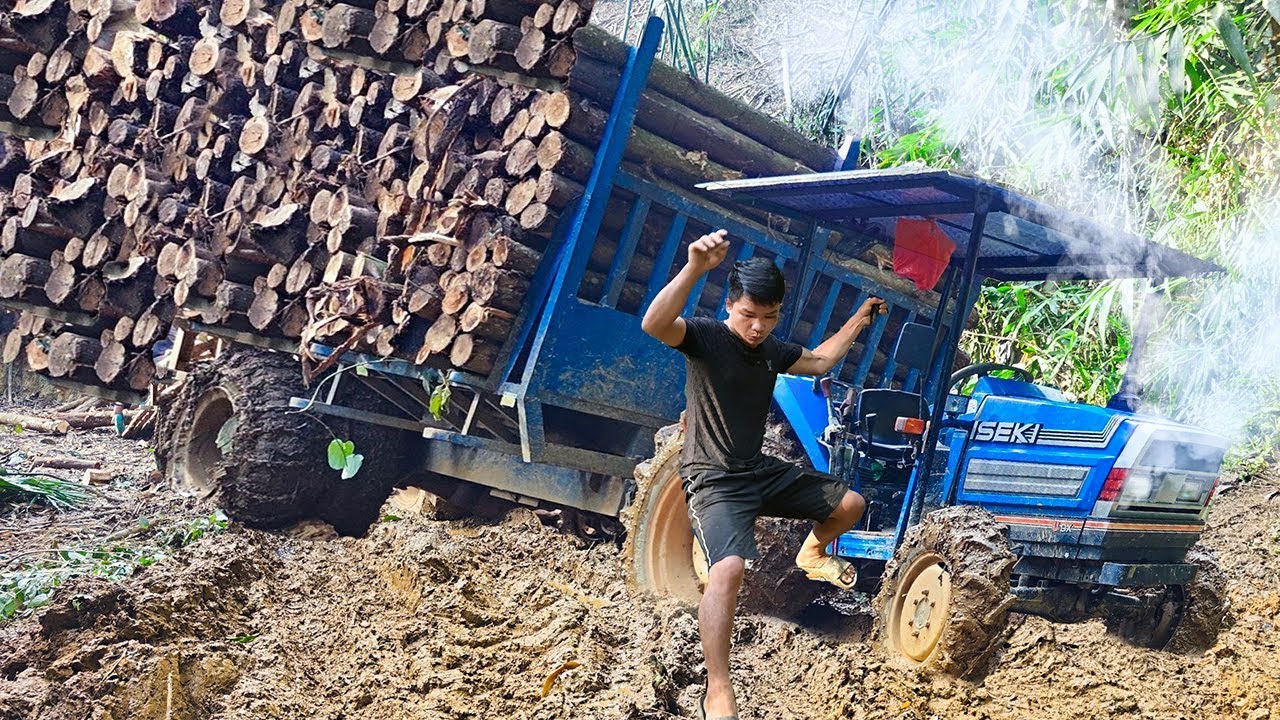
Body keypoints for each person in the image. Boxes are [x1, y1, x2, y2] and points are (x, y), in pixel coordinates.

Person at [640, 229, 886, 720]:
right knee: (728, 569)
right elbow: (654, 323)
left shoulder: (771, 350)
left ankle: (811, 552)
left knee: (851, 505)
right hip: (713, 478)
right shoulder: (707, 338)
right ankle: (717, 687)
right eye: (749, 315)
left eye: (768, 317)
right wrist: (694, 267)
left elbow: (820, 359)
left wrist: (858, 319)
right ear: (731, 305)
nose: (757, 327)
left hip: (757, 471)